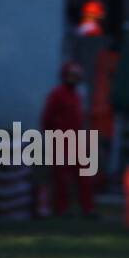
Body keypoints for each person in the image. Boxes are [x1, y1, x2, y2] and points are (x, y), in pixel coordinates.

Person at [40, 61, 97, 218]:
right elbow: (47, 118)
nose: (74, 79)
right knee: (62, 178)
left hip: (77, 140)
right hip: (61, 140)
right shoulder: (57, 94)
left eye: (76, 76)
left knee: (85, 177)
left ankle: (88, 208)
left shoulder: (77, 96)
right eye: (72, 76)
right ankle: (61, 209)